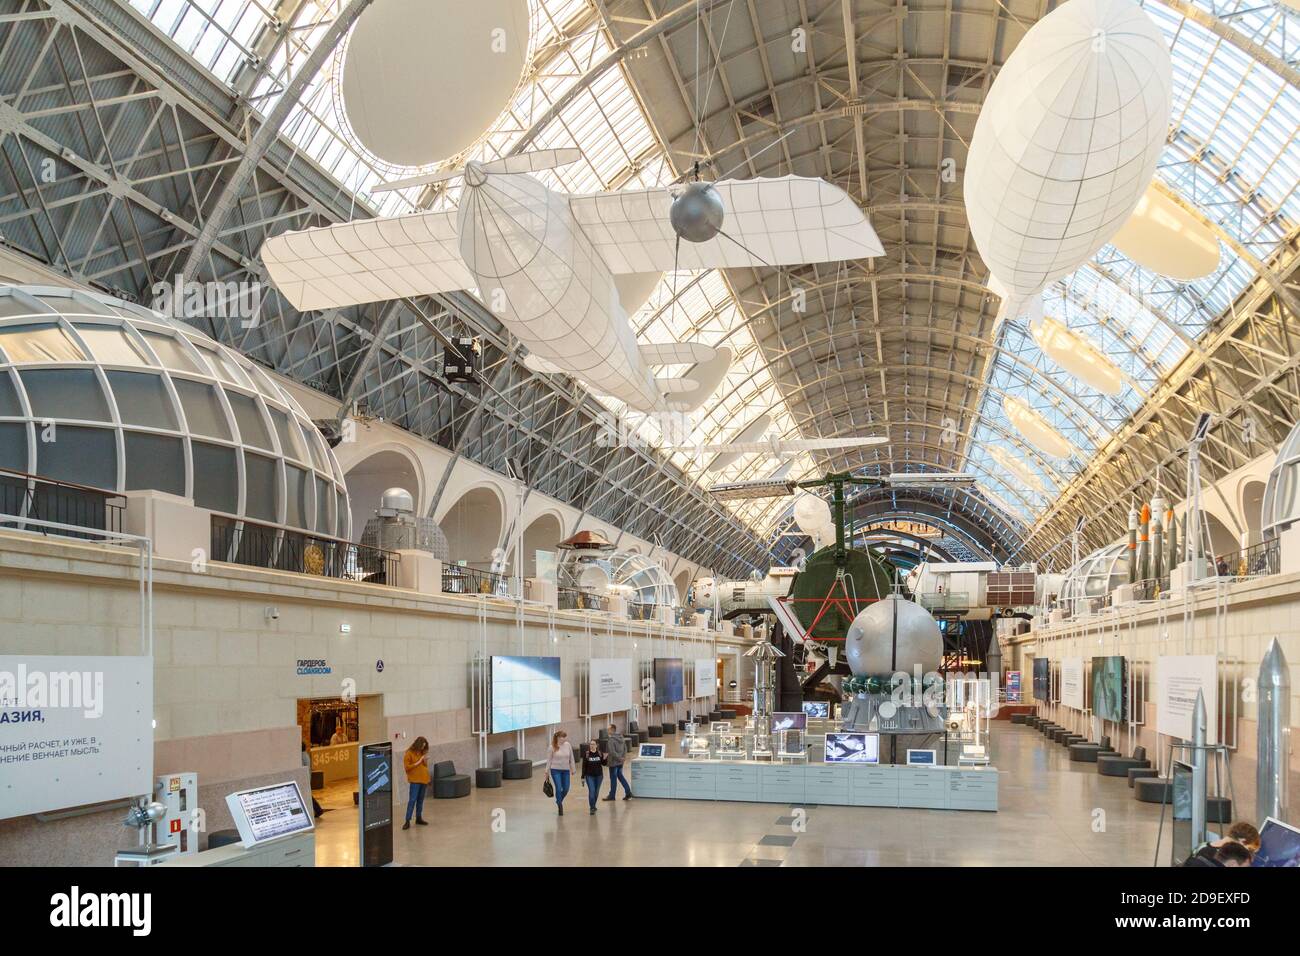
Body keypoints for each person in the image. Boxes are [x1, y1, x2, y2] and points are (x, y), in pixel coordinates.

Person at [1187, 821, 1261, 865]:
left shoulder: (1204, 845)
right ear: (1242, 841)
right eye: (1249, 849)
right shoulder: (1220, 856)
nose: (1248, 853)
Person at [402, 736, 430, 830]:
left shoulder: (421, 753)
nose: (423, 748)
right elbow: (407, 767)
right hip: (415, 781)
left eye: (424, 746)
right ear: (418, 745)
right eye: (422, 746)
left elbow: (424, 766)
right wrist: (419, 761)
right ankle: (407, 820)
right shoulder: (409, 753)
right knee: (412, 800)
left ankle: (419, 818)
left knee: (420, 800)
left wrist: (425, 761)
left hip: (424, 779)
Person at [547, 730, 575, 815]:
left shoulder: (568, 745)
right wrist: (546, 772)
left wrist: (573, 769)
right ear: (558, 738)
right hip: (555, 770)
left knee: (566, 789)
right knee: (558, 788)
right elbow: (549, 760)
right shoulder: (552, 747)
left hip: (566, 770)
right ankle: (560, 806)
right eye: (563, 737)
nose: (565, 739)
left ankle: (558, 800)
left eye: (565, 737)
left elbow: (571, 757)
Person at [602, 724, 632, 801]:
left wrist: (619, 758)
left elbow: (612, 752)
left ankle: (612, 796)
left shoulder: (611, 740)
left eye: (608, 729)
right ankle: (628, 792)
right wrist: (623, 758)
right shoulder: (621, 737)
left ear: (612, 730)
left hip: (613, 763)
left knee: (613, 779)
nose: (607, 731)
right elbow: (625, 748)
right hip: (620, 762)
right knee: (620, 776)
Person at [580, 739, 606, 814]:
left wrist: (605, 758)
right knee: (592, 791)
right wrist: (582, 777)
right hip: (589, 776)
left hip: (599, 776)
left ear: (596, 745)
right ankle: (592, 807)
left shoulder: (599, 753)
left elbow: (604, 764)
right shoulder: (587, 754)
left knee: (596, 792)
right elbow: (584, 766)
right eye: (591, 744)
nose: (592, 745)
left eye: (593, 744)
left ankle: (593, 805)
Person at [302, 742, 325, 818]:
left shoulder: (301, 756)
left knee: (307, 796)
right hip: (307, 778)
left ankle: (318, 810)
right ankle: (317, 810)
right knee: (307, 795)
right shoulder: (306, 755)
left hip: (304, 779)